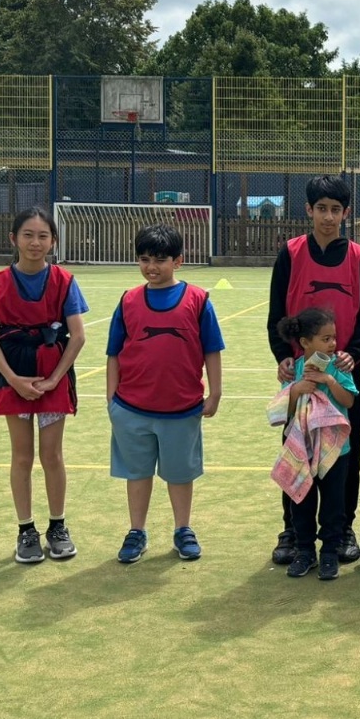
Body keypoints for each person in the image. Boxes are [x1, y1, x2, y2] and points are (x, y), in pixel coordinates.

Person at [268, 175, 360, 567]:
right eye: (321, 209)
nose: (328, 217)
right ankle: (293, 531)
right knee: (295, 451)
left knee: (345, 455)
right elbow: (276, 312)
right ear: (309, 210)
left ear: (345, 213)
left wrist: (355, 354)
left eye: (336, 210)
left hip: (342, 375)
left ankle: (342, 527)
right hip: (301, 376)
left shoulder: (359, 257)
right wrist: (283, 356)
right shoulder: (292, 253)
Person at [107, 224, 224, 565]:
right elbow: (114, 352)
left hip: (182, 408)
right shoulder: (128, 300)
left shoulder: (198, 300)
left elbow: (212, 350)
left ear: (179, 261)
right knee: (137, 472)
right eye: (144, 259)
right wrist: (111, 400)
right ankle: (136, 531)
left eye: (160, 260)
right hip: (132, 408)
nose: (151, 267)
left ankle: (183, 529)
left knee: (179, 473)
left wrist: (215, 392)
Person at [0, 207, 88, 564]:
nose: (35, 242)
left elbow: (78, 336)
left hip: (51, 375)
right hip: (14, 377)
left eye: (43, 236)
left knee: (52, 455)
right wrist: (12, 378)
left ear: (53, 241)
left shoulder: (65, 281)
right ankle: (26, 530)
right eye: (28, 235)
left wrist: (55, 378)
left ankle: (58, 526)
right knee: (22, 456)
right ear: (14, 239)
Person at [277, 308, 359, 580]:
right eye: (325, 339)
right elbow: (283, 411)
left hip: (336, 451)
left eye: (334, 338)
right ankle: (305, 551)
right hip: (303, 449)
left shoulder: (338, 365)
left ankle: (329, 553)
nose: (333, 344)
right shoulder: (294, 369)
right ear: (305, 343)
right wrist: (296, 390)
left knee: (334, 504)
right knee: (301, 502)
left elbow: (348, 401)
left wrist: (329, 380)